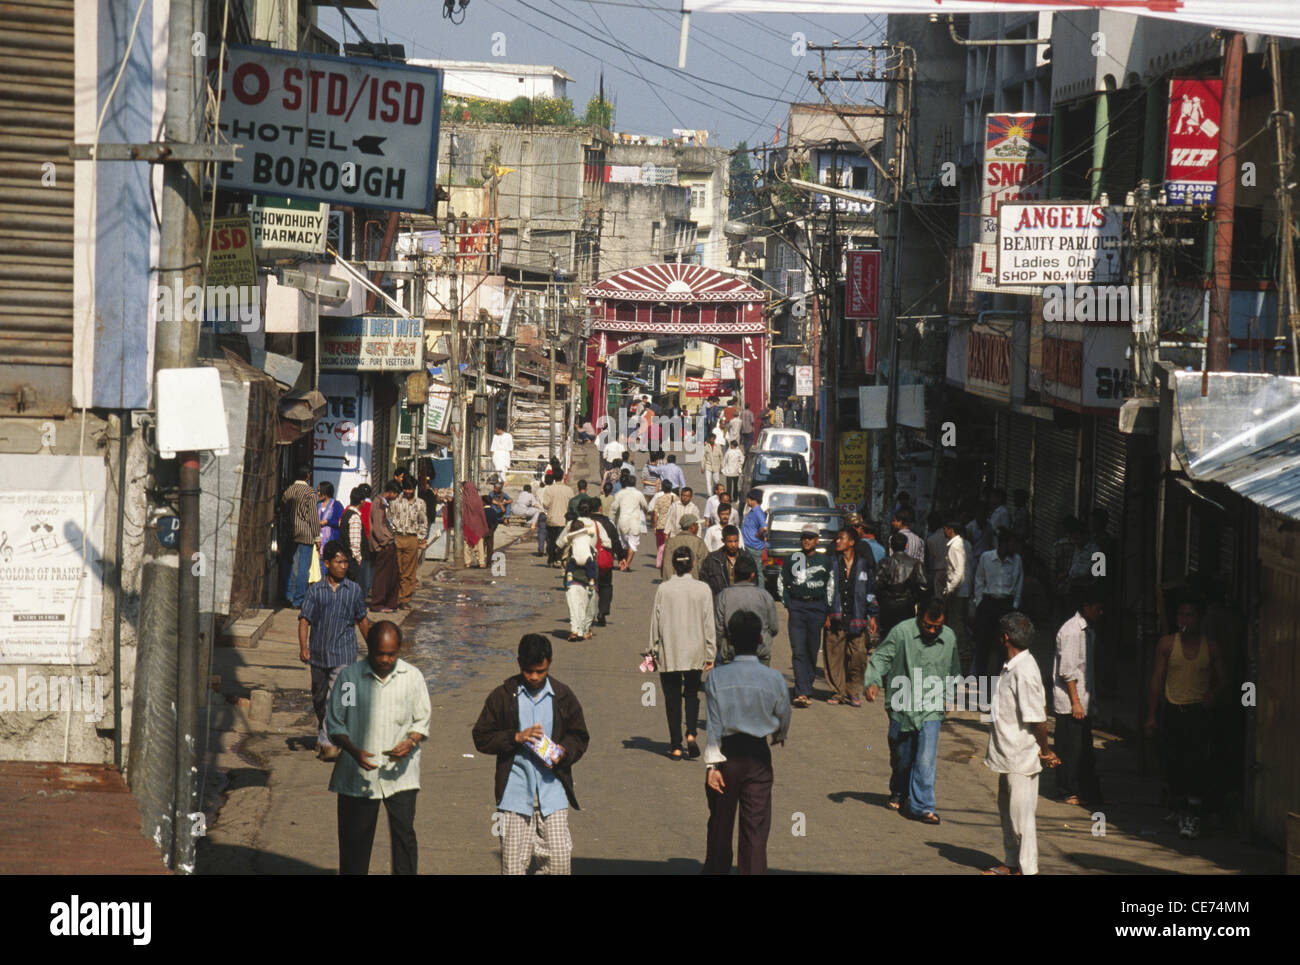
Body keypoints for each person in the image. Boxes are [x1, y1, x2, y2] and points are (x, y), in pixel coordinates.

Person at [472, 633, 589, 875]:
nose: (534, 677)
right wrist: (514, 737)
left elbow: (579, 735)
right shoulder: (502, 696)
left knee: (558, 863)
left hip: (552, 794)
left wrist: (564, 752)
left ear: (549, 664)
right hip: (514, 796)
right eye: (528, 671)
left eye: (541, 671)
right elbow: (481, 737)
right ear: (519, 664)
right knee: (513, 867)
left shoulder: (563, 696)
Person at [326, 620, 431, 875]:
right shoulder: (350, 679)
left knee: (404, 837)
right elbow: (337, 721)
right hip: (358, 775)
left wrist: (410, 741)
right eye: (380, 653)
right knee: (355, 843)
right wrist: (352, 750)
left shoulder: (412, 678)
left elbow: (421, 720)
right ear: (369, 649)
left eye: (391, 654)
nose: (386, 659)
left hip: (401, 774)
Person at [703, 610, 791, 876]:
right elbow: (784, 714)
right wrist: (779, 733)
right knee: (755, 829)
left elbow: (714, 725)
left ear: (729, 641)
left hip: (726, 756)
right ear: (761, 640)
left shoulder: (716, 678)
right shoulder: (774, 679)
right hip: (758, 756)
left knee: (720, 825)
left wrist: (712, 767)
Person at [864, 600, 960, 824]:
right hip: (902, 705)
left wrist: (949, 696)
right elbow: (881, 658)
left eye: (937, 626)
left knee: (925, 759)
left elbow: (954, 670)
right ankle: (899, 791)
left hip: (932, 706)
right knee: (902, 757)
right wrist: (873, 682)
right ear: (919, 618)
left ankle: (922, 806)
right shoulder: (902, 632)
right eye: (928, 626)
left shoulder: (949, 638)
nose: (933, 631)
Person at [983, 611, 1059, 876]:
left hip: (1020, 756)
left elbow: (1038, 717)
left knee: (1021, 818)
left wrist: (1046, 750)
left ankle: (1028, 870)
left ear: (1005, 637)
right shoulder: (1012, 666)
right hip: (1007, 753)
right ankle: (1011, 862)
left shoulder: (1024, 671)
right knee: (1007, 811)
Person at [1145, 598, 1227, 839]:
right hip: (1173, 711)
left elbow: (1225, 681)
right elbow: (1157, 680)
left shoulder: (1211, 648)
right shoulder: (1167, 644)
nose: (1185, 620)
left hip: (1198, 714)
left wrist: (1215, 694)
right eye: (1181, 615)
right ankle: (1178, 807)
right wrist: (1151, 716)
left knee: (1196, 764)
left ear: (1200, 619)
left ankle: (1191, 815)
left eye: (1190, 615)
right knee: (1173, 762)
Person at [299, 541, 371, 762]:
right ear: (327, 563)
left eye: (345, 562)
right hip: (319, 654)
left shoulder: (354, 591)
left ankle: (329, 742)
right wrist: (303, 647)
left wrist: (374, 650)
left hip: (344, 654)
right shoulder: (315, 591)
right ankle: (325, 733)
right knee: (319, 698)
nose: (343, 566)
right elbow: (304, 620)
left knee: (337, 699)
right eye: (338, 562)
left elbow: (362, 621)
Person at [648, 546, 716, 761]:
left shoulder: (664, 589)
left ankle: (676, 746)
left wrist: (652, 649)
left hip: (670, 651)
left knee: (672, 698)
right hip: (695, 651)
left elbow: (655, 623)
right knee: (692, 695)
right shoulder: (703, 589)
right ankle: (691, 733)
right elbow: (709, 623)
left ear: (673, 565)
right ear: (693, 564)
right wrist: (710, 653)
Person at [1053, 587, 1105, 808]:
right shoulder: (1072, 631)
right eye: (1097, 608)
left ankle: (1087, 791)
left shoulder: (1088, 631)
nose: (1100, 613)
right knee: (1070, 750)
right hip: (1070, 702)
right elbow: (1067, 670)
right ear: (1086, 607)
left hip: (1083, 701)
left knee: (1084, 749)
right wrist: (1075, 701)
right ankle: (1066, 790)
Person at [778, 525, 835, 707]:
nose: (807, 540)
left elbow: (831, 585)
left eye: (810, 538)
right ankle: (801, 691)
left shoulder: (825, 560)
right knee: (798, 649)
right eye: (804, 537)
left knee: (811, 649)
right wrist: (789, 603)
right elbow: (781, 582)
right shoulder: (792, 559)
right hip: (798, 607)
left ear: (817, 540)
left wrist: (826, 608)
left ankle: (806, 686)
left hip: (816, 607)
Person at [826, 528, 879, 706]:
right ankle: (838, 692)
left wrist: (873, 615)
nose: (837, 542)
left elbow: (870, 591)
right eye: (836, 539)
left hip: (858, 616)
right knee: (834, 656)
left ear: (851, 542)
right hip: (836, 616)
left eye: (841, 539)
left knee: (859, 656)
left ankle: (854, 691)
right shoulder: (831, 563)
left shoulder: (863, 564)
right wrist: (826, 613)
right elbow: (825, 589)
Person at [971, 530, 1024, 678]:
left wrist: (1014, 606)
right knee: (983, 643)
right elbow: (979, 581)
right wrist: (980, 603)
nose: (1014, 547)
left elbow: (1018, 583)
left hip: (1006, 605)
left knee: (1005, 644)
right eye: (1012, 543)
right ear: (1003, 544)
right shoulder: (986, 558)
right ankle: (980, 678)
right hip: (988, 603)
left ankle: (1001, 678)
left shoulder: (1017, 560)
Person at [714, 552, 778, 665]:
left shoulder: (723, 596)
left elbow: (718, 628)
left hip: (731, 654)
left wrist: (723, 645)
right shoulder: (764, 596)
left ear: (734, 573)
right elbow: (773, 627)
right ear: (753, 574)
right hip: (760, 653)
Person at [876, 531, 930, 638]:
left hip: (887, 605)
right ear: (906, 546)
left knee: (888, 636)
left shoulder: (883, 563)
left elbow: (877, 585)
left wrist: (884, 598)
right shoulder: (915, 563)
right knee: (906, 635)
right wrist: (913, 598)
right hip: (907, 605)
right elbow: (924, 587)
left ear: (891, 546)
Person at [556, 510, 598, 641]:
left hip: (573, 581)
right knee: (588, 609)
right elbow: (593, 565)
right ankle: (584, 631)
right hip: (588, 583)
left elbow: (559, 546)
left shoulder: (571, 547)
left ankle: (575, 630)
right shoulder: (590, 547)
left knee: (574, 607)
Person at [587, 496, 628, 628]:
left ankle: (587, 614)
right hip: (604, 561)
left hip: (587, 560)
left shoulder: (585, 522)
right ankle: (602, 612)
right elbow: (616, 542)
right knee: (605, 587)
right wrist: (622, 557)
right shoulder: (608, 523)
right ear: (600, 508)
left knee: (588, 586)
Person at [282, 466, 320, 608]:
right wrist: (317, 537)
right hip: (306, 533)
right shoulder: (310, 493)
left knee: (292, 564)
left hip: (290, 532)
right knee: (304, 567)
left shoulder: (289, 491)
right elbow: (314, 518)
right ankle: (299, 599)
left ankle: (289, 595)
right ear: (308, 476)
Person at [390, 477, 429, 607]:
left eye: (410, 489)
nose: (408, 491)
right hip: (397, 537)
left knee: (409, 571)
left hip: (412, 539)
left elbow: (423, 522)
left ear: (414, 489)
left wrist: (421, 538)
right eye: (406, 489)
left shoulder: (421, 503)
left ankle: (404, 599)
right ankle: (393, 598)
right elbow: (389, 519)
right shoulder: (395, 502)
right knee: (396, 569)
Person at [942, 519, 973, 668]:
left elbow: (959, 572)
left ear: (951, 530)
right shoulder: (963, 544)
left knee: (956, 621)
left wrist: (950, 589)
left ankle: (962, 649)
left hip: (957, 591)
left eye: (945, 528)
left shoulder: (955, 547)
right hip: (962, 589)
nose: (943, 531)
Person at [366, 480, 400, 612]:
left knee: (392, 576)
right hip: (384, 546)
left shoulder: (383, 504)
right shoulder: (379, 503)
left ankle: (389, 603)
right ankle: (377, 604)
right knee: (382, 576)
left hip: (389, 544)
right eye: (396, 494)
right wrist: (385, 542)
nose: (396, 497)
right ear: (390, 492)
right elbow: (378, 527)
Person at [610, 470, 649, 567]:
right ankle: (627, 564)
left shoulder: (620, 493)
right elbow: (645, 507)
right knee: (633, 544)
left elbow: (613, 509)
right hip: (634, 522)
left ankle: (623, 561)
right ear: (635, 483)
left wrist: (611, 521)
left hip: (622, 522)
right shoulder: (638, 494)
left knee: (624, 544)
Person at [540, 471, 574, 567]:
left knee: (551, 541)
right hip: (564, 520)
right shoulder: (569, 490)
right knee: (562, 542)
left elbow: (546, 504)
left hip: (552, 519)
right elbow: (571, 504)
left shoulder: (549, 489)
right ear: (563, 477)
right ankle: (559, 559)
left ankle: (551, 560)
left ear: (554, 478)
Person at [661, 514, 709, 581]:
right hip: (694, 583)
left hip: (674, 583)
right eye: (697, 525)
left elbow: (666, 565)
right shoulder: (699, 542)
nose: (698, 527)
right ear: (692, 527)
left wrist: (668, 583)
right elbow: (704, 565)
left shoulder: (671, 542)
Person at [700, 524, 743, 597]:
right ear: (723, 541)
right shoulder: (712, 559)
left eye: (736, 541)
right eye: (730, 541)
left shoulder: (745, 557)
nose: (733, 545)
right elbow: (704, 581)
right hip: (719, 601)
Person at [340, 488, 368, 587]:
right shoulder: (355, 517)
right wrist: (358, 558)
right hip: (353, 559)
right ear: (362, 501)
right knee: (357, 587)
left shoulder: (346, 514)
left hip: (347, 555)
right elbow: (354, 541)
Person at [461, 482, 488, 570]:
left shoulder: (464, 499)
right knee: (480, 544)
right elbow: (482, 513)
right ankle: (481, 562)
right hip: (478, 525)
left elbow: (462, 513)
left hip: (467, 525)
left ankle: (467, 562)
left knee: (466, 544)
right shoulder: (478, 499)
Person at [651, 479, 676, 570]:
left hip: (661, 525)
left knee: (661, 545)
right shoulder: (675, 498)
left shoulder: (659, 499)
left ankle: (661, 562)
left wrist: (654, 526)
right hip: (671, 525)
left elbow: (655, 514)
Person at [739, 488, 767, 573]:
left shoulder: (758, 512)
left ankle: (760, 586)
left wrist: (758, 535)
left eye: (748, 498)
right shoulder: (753, 511)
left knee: (758, 571)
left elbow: (764, 528)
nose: (747, 501)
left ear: (753, 500)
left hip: (754, 547)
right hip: (748, 545)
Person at [925, 511, 949, 593]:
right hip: (952, 570)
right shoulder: (950, 535)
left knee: (939, 598)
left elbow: (931, 559)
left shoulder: (930, 540)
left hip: (939, 571)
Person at [317, 481, 344, 549]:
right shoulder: (318, 505)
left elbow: (341, 522)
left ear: (326, 492)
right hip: (318, 540)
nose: (318, 493)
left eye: (320, 491)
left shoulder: (336, 505)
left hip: (332, 541)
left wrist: (327, 522)